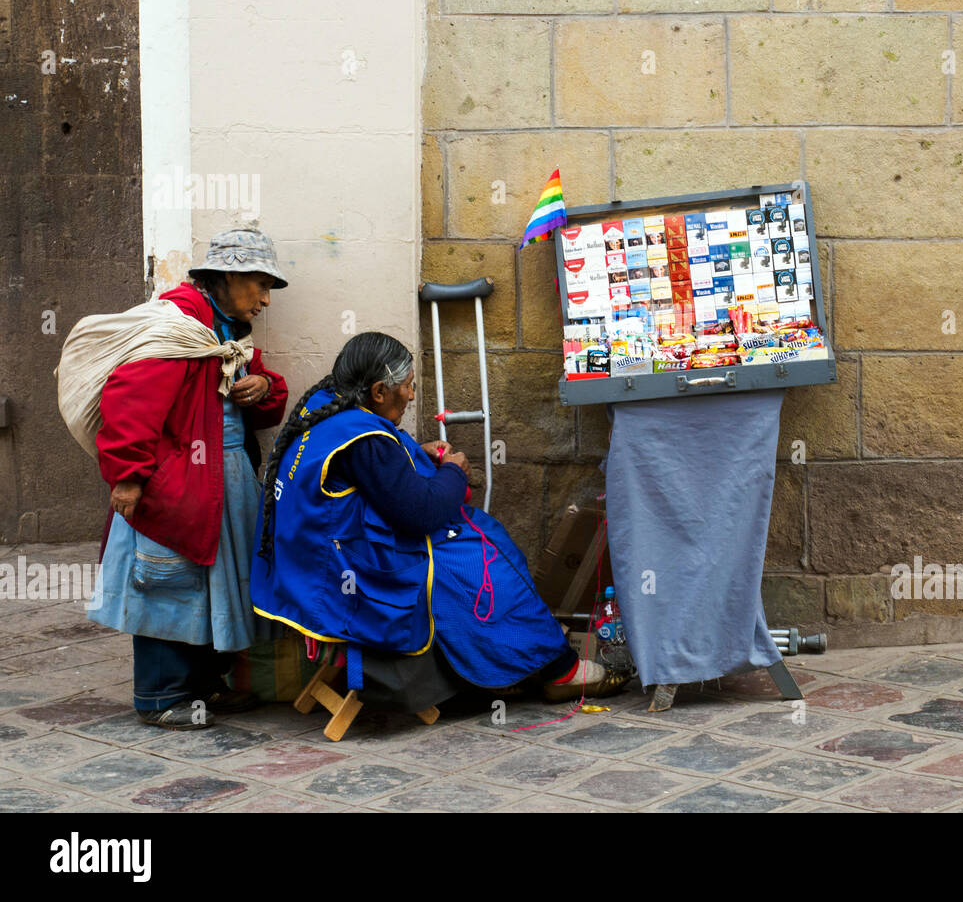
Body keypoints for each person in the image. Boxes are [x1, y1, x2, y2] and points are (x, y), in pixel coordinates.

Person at [252, 332, 629, 711]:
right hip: (351, 573)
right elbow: (421, 514)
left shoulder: (327, 404)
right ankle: (556, 669)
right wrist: (454, 471)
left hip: (312, 567)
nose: (413, 396)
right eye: (409, 387)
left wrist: (413, 451)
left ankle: (522, 656)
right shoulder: (363, 439)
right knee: (481, 561)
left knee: (479, 544)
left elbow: (378, 474)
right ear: (379, 391)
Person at [89, 229, 289, 729]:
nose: (265, 299)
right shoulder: (178, 324)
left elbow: (269, 398)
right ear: (225, 277)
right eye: (259, 285)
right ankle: (161, 697)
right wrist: (129, 476)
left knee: (213, 586)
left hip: (222, 480)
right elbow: (132, 401)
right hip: (176, 480)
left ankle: (203, 685)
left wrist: (262, 386)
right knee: (168, 581)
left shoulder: (228, 331)